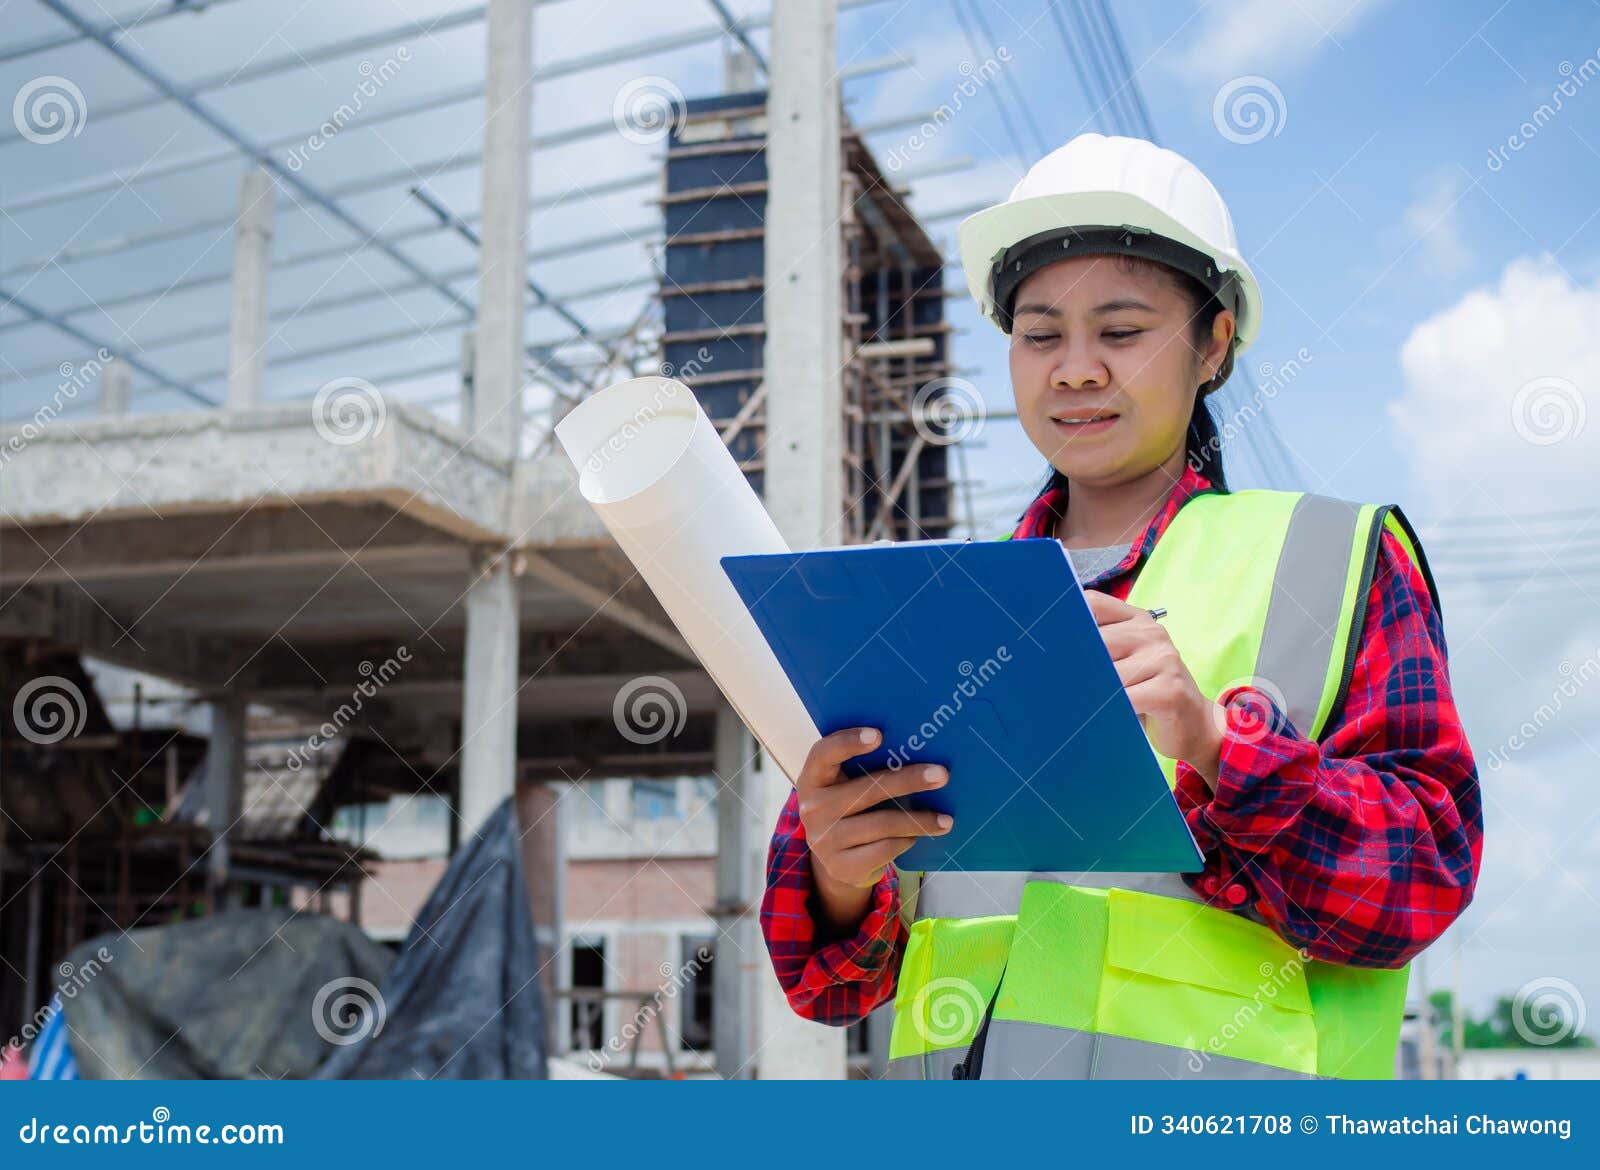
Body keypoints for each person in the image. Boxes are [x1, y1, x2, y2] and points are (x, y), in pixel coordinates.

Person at [759, 133, 1483, 1080]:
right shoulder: (933, 608)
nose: (1076, 369)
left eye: (1122, 331)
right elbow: (832, 988)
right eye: (1040, 334)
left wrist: (1219, 748)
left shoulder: (1330, 560)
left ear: (1213, 343)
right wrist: (839, 875)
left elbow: (1423, 880)